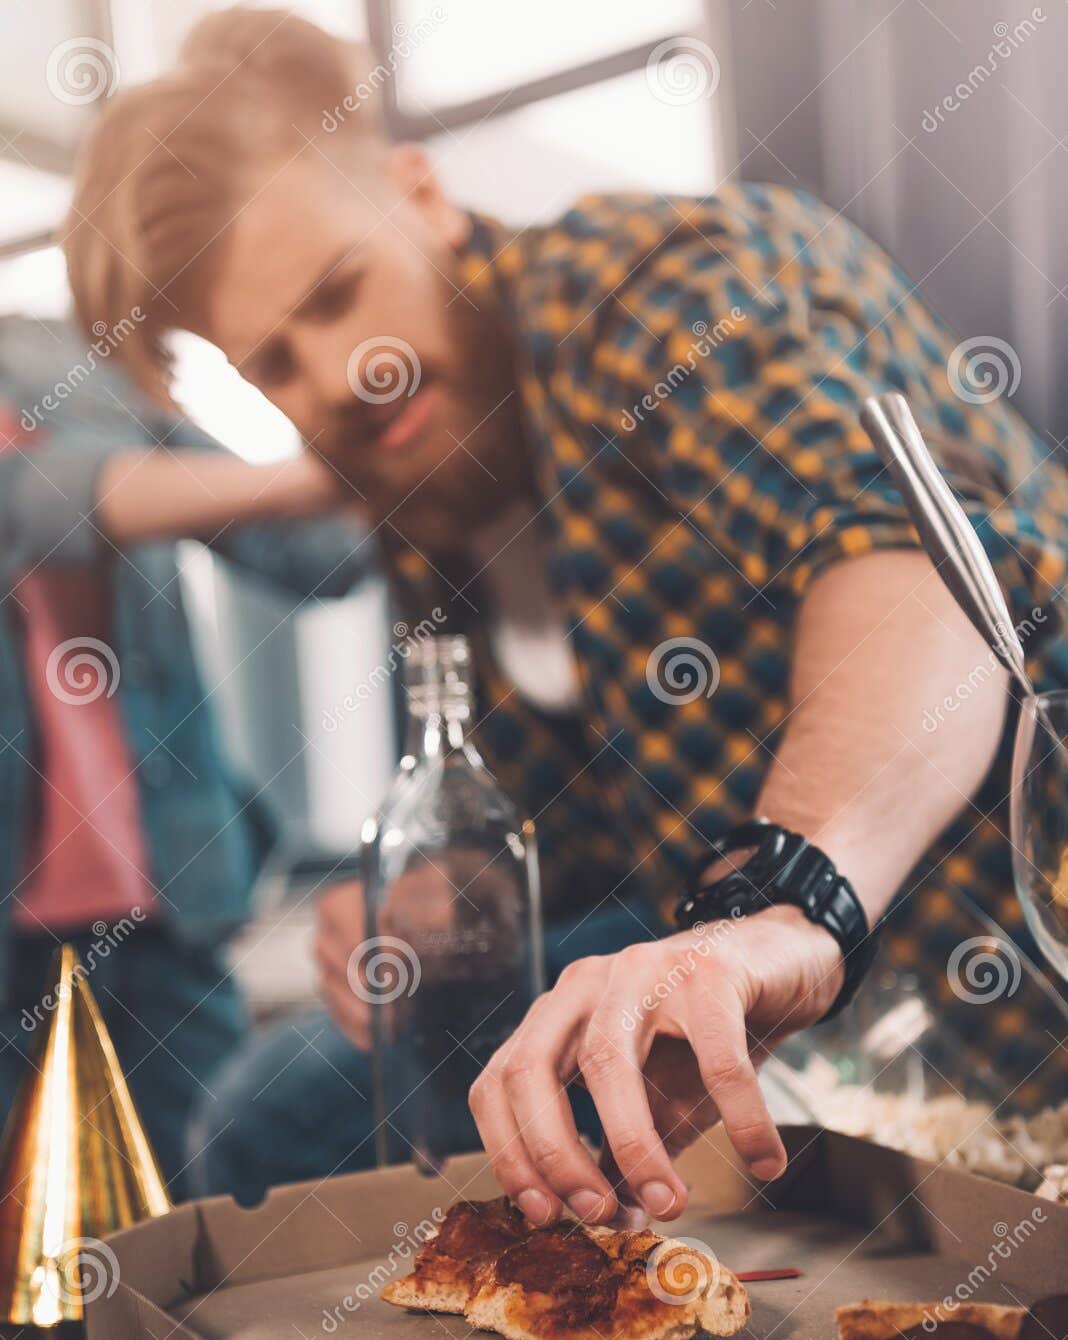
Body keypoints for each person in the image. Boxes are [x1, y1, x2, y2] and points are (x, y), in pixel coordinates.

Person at [64, 8, 1068, 1219]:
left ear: (420, 193)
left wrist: (785, 899)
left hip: (1006, 953)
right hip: (812, 1021)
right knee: (270, 1116)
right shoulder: (433, 492)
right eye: (274, 362)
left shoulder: (657, 291)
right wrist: (461, 895)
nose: (335, 376)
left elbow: (916, 564)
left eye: (338, 293)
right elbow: (611, 831)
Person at [0, 310, 374, 1194]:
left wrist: (337, 410)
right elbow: (41, 504)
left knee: (218, 1210)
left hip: (166, 892)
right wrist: (306, 478)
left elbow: (326, 555)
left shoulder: (70, 357)